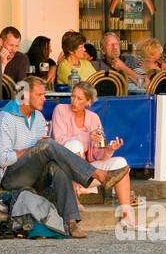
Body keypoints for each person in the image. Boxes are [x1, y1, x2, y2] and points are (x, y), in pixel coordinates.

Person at [0, 77, 110, 238]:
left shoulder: (38, 117)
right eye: (40, 94)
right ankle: (96, 174)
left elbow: (42, 156)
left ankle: (71, 222)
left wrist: (37, 150)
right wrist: (33, 149)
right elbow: (3, 160)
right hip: (9, 177)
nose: (44, 98)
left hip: (34, 179)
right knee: (47, 145)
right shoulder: (4, 119)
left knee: (57, 165)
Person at [50, 80, 141, 228]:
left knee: (121, 162)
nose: (74, 101)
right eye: (73, 96)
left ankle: (127, 215)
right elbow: (59, 142)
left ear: (88, 101)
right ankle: (74, 196)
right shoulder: (60, 110)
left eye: (79, 99)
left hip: (89, 171)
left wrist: (109, 149)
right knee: (74, 144)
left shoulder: (94, 118)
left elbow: (97, 156)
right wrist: (86, 136)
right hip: (64, 171)